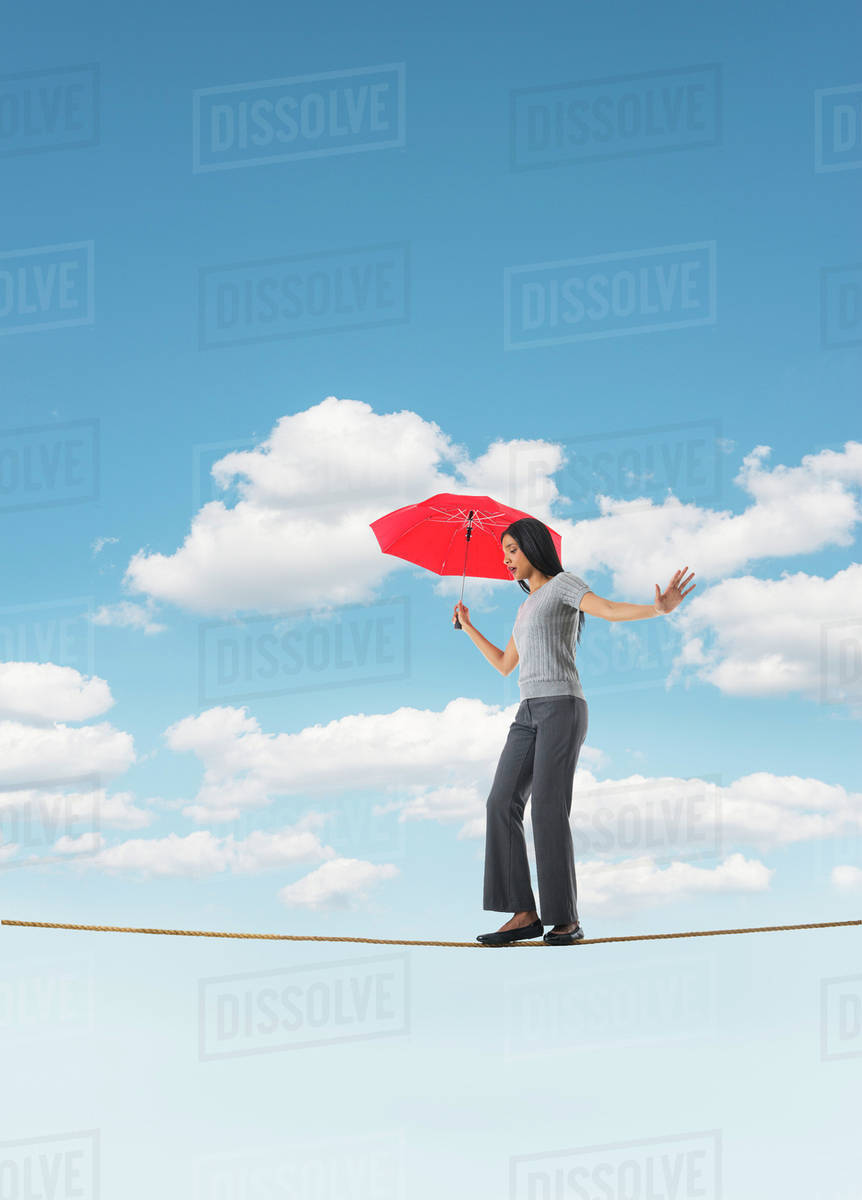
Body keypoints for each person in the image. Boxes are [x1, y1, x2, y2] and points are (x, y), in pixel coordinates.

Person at [453, 517, 695, 946]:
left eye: (512, 549)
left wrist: (657, 609)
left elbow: (609, 610)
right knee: (500, 801)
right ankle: (524, 914)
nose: (506, 559)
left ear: (533, 548)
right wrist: (469, 626)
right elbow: (506, 665)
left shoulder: (563, 585)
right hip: (527, 711)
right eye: (503, 552)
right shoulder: (525, 606)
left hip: (562, 705)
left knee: (546, 806)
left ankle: (565, 918)